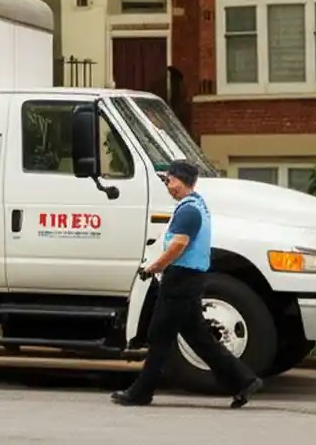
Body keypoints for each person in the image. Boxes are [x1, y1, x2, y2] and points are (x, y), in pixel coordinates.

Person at [111, 160, 263, 408]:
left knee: (159, 336)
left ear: (181, 180)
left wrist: (155, 267)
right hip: (189, 280)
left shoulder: (189, 210)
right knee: (199, 338)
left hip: (180, 280)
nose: (168, 186)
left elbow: (179, 244)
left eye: (170, 181)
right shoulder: (197, 205)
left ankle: (141, 392)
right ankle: (243, 381)